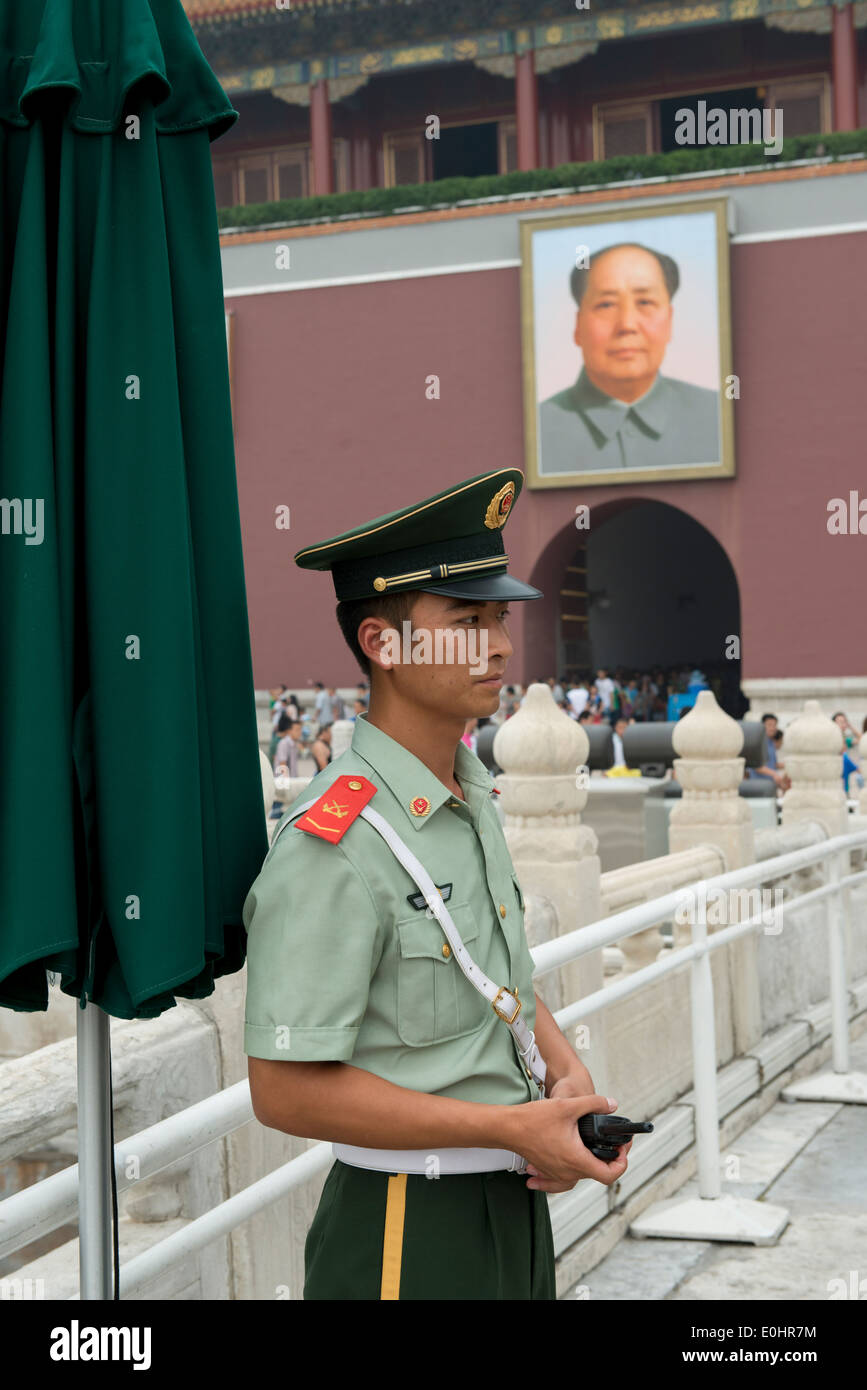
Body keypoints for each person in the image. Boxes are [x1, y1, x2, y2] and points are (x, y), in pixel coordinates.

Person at [242, 467, 632, 1302]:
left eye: (498, 618)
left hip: (512, 1201)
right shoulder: (337, 841)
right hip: (405, 1224)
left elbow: (495, 980)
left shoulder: (467, 791)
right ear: (383, 643)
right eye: (465, 621)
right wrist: (509, 1128)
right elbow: (281, 1086)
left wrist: (563, 1087)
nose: (497, 644)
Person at [538, 243, 720, 475]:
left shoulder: (718, 418)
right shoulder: (537, 431)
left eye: (645, 302)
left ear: (670, 320)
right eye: (606, 305)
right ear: (577, 326)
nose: (627, 325)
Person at [748, 712, 790, 791]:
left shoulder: (771, 743)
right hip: (758, 786)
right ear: (762, 726)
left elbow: (772, 764)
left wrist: (789, 765)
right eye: (769, 725)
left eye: (774, 725)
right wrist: (774, 774)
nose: (773, 728)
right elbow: (756, 766)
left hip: (770, 786)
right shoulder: (757, 742)